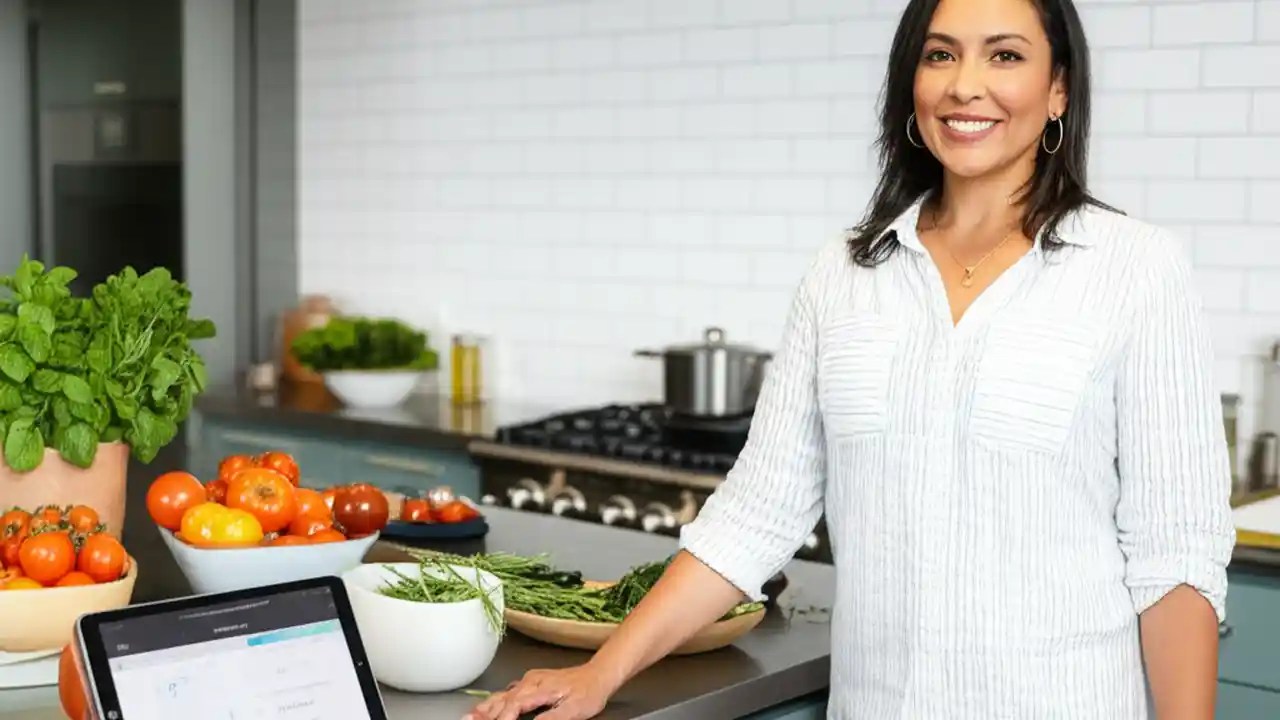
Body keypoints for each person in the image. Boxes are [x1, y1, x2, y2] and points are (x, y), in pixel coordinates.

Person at [466, 0, 1236, 717]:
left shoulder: (1135, 270)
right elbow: (754, 517)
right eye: (940, 55)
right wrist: (600, 672)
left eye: (1004, 56)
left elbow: (1174, 558)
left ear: (1058, 88)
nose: (965, 85)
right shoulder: (843, 274)